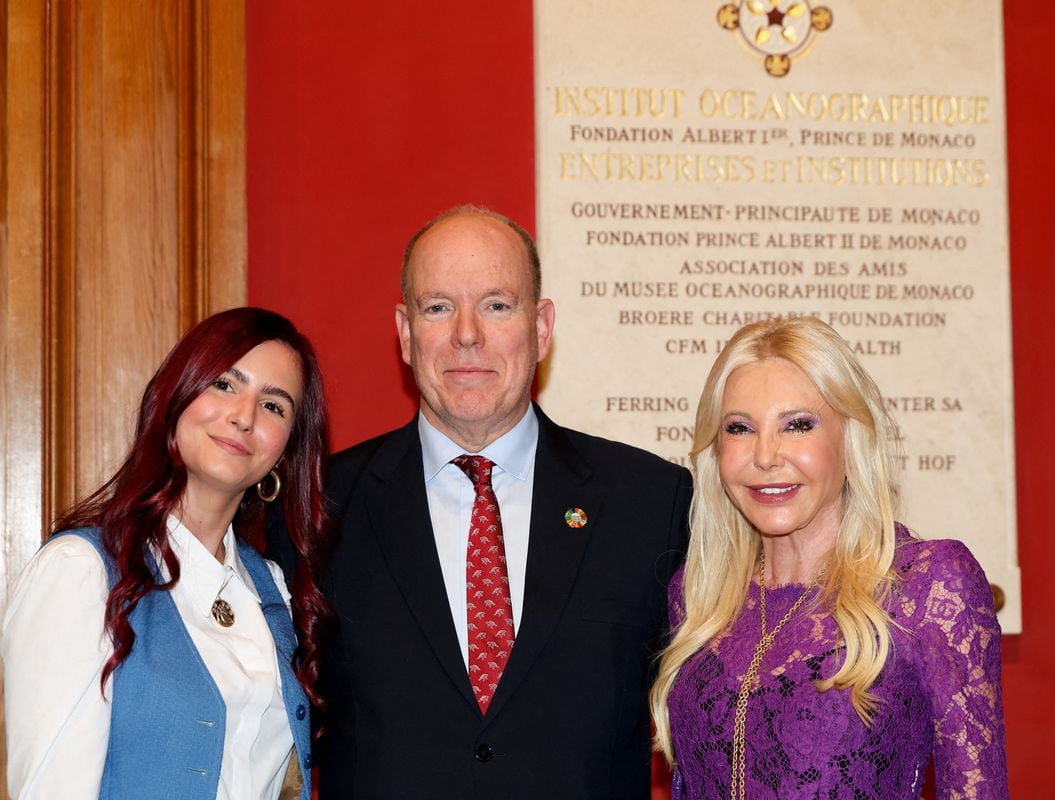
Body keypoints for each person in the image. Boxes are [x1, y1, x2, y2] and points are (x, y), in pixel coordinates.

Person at [304, 205, 691, 799]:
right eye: (438, 308)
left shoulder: (650, 502)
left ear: (541, 328)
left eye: (496, 305)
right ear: (406, 334)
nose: (467, 334)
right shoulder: (318, 508)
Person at [649, 317, 1008, 799]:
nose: (766, 455)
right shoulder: (698, 594)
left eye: (797, 425)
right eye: (739, 428)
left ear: (849, 439)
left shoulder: (926, 585)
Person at [2, 307, 335, 800]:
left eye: (274, 406)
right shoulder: (82, 574)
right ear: (176, 396)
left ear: (285, 450)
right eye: (224, 384)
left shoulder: (272, 588)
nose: (243, 416)